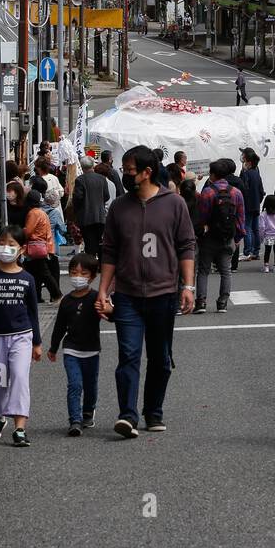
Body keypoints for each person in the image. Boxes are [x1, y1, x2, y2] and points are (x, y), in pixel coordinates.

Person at [97, 145, 197, 437]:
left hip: (164, 294)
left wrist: (188, 286)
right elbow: (110, 251)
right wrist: (103, 290)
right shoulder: (119, 207)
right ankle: (127, 415)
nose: (125, 175)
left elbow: (186, 246)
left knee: (160, 357)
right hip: (127, 295)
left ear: (147, 172)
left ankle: (153, 411)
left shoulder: (174, 204)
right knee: (128, 355)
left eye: (129, 171)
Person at [0, 226, 42, 448]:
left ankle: (20, 427)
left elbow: (33, 311)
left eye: (11, 244)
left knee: (20, 377)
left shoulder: (27, 279)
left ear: (21, 249)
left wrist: (37, 342)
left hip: (22, 337)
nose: (6, 248)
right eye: (2, 243)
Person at [48, 252, 104, 436]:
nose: (78, 277)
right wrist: (53, 347)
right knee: (75, 384)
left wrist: (109, 309)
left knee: (91, 385)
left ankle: (88, 410)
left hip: (91, 350)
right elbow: (59, 326)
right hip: (71, 349)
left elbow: (110, 316)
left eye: (83, 273)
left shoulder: (96, 298)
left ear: (93, 276)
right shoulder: (67, 301)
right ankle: (75, 420)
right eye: (74, 272)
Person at [195, 158, 246, 313]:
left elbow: (202, 217)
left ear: (213, 174)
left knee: (203, 270)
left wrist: (199, 234)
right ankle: (222, 302)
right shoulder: (236, 193)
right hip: (228, 237)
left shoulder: (208, 192)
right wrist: (237, 238)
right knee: (226, 271)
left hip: (210, 237)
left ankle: (202, 302)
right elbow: (241, 217)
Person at [21, 189, 61, 303]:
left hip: (35, 246)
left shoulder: (33, 213)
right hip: (42, 245)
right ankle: (36, 296)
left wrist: (20, 231)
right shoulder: (40, 212)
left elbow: (28, 231)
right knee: (37, 273)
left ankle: (57, 294)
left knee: (44, 273)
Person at [70, 156, 111, 258]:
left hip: (86, 216)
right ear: (93, 165)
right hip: (100, 216)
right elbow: (107, 196)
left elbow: (78, 198)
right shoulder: (102, 179)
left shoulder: (80, 180)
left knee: (89, 243)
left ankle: (91, 264)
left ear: (82, 167)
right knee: (100, 241)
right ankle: (101, 264)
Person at [240, 148, 266, 260]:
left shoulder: (247, 173)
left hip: (247, 204)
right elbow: (261, 191)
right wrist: (258, 201)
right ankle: (256, 251)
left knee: (247, 228)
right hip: (256, 204)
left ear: (248, 161)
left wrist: (243, 172)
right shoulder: (256, 173)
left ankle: (247, 252)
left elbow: (242, 188)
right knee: (255, 228)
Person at [258, 196, 275, 273]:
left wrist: (261, 237)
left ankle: (266, 266)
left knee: (267, 251)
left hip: (268, 235)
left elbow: (261, 227)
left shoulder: (263, 214)